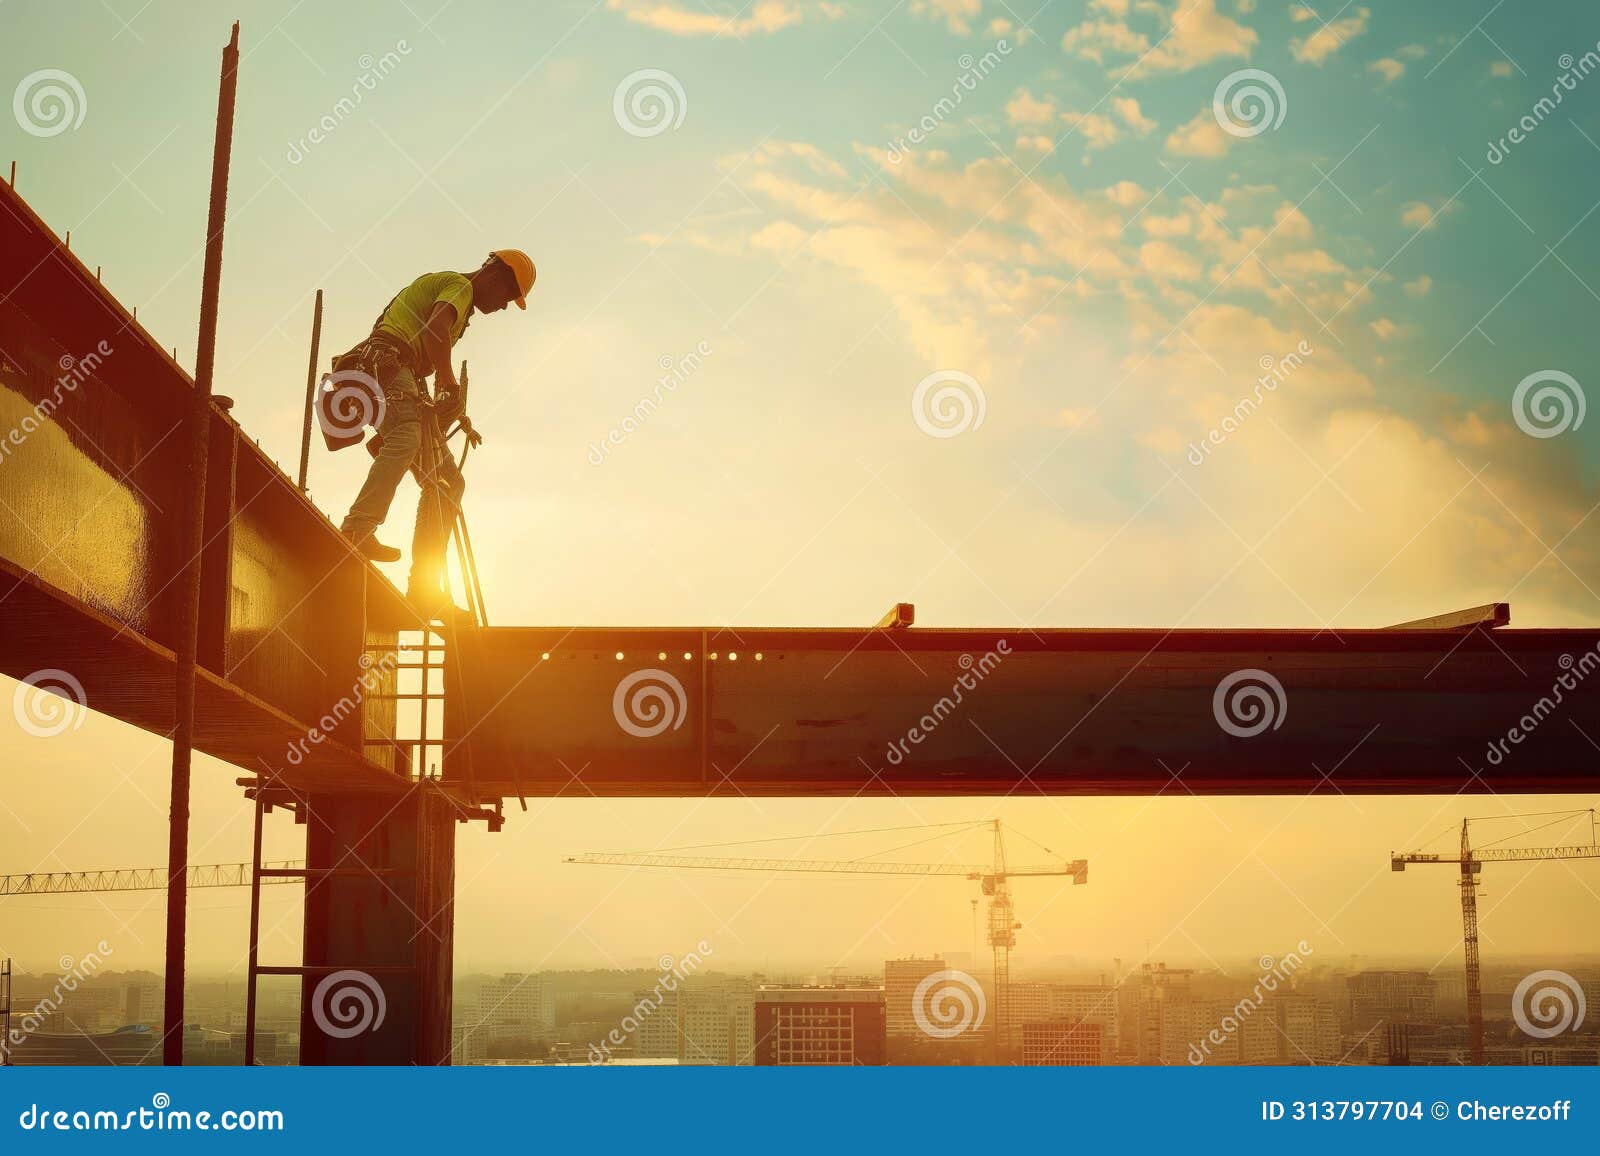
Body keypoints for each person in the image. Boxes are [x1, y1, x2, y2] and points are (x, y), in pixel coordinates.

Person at [333, 249, 535, 622]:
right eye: (508, 297)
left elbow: (427, 344)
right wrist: (447, 380)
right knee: (406, 435)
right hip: (385, 363)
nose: (505, 307)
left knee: (447, 481)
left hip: (399, 372)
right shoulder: (458, 286)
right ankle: (357, 529)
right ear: (495, 276)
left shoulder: (459, 300)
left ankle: (424, 590)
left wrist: (448, 400)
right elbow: (433, 333)